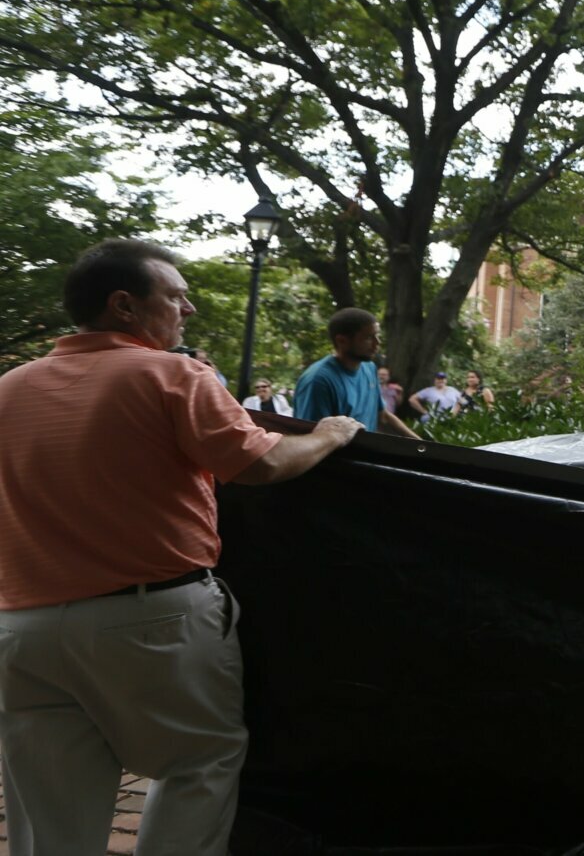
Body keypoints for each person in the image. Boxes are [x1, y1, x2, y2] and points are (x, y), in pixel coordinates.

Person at [0, 238, 363, 854]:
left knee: (50, 808)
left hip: (21, 631)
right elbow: (263, 463)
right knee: (199, 762)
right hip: (152, 620)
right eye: (176, 296)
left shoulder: (9, 389)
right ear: (125, 306)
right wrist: (330, 435)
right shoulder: (170, 373)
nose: (188, 310)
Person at [293, 309, 419, 438]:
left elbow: (382, 416)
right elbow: (310, 438)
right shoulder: (319, 381)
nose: (377, 343)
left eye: (377, 336)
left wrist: (423, 446)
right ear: (342, 341)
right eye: (369, 338)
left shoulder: (369, 368)